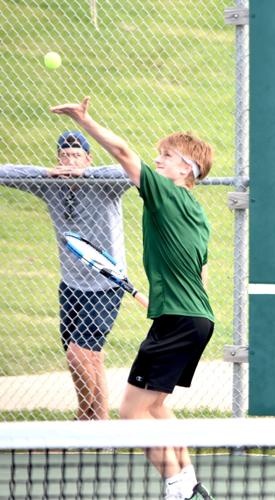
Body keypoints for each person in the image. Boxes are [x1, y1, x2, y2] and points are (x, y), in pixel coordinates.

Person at [51, 96, 215, 500]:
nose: (157, 160)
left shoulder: (166, 192)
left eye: (166, 155)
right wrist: (168, 306)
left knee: (131, 413)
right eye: (158, 155)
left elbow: (123, 152)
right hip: (195, 320)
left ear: (186, 169)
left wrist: (84, 121)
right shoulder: (198, 212)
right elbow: (202, 274)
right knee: (156, 407)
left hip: (177, 320)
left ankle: (178, 489)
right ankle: (190, 483)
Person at [0, 131, 130, 421]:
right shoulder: (50, 185)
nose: (70, 160)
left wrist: (86, 173)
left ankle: (84, 415)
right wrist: (47, 172)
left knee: (77, 354)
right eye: (64, 155)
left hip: (105, 283)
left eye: (76, 155)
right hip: (70, 285)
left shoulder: (105, 184)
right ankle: (102, 424)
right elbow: (4, 173)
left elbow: (132, 171)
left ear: (88, 157)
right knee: (89, 358)